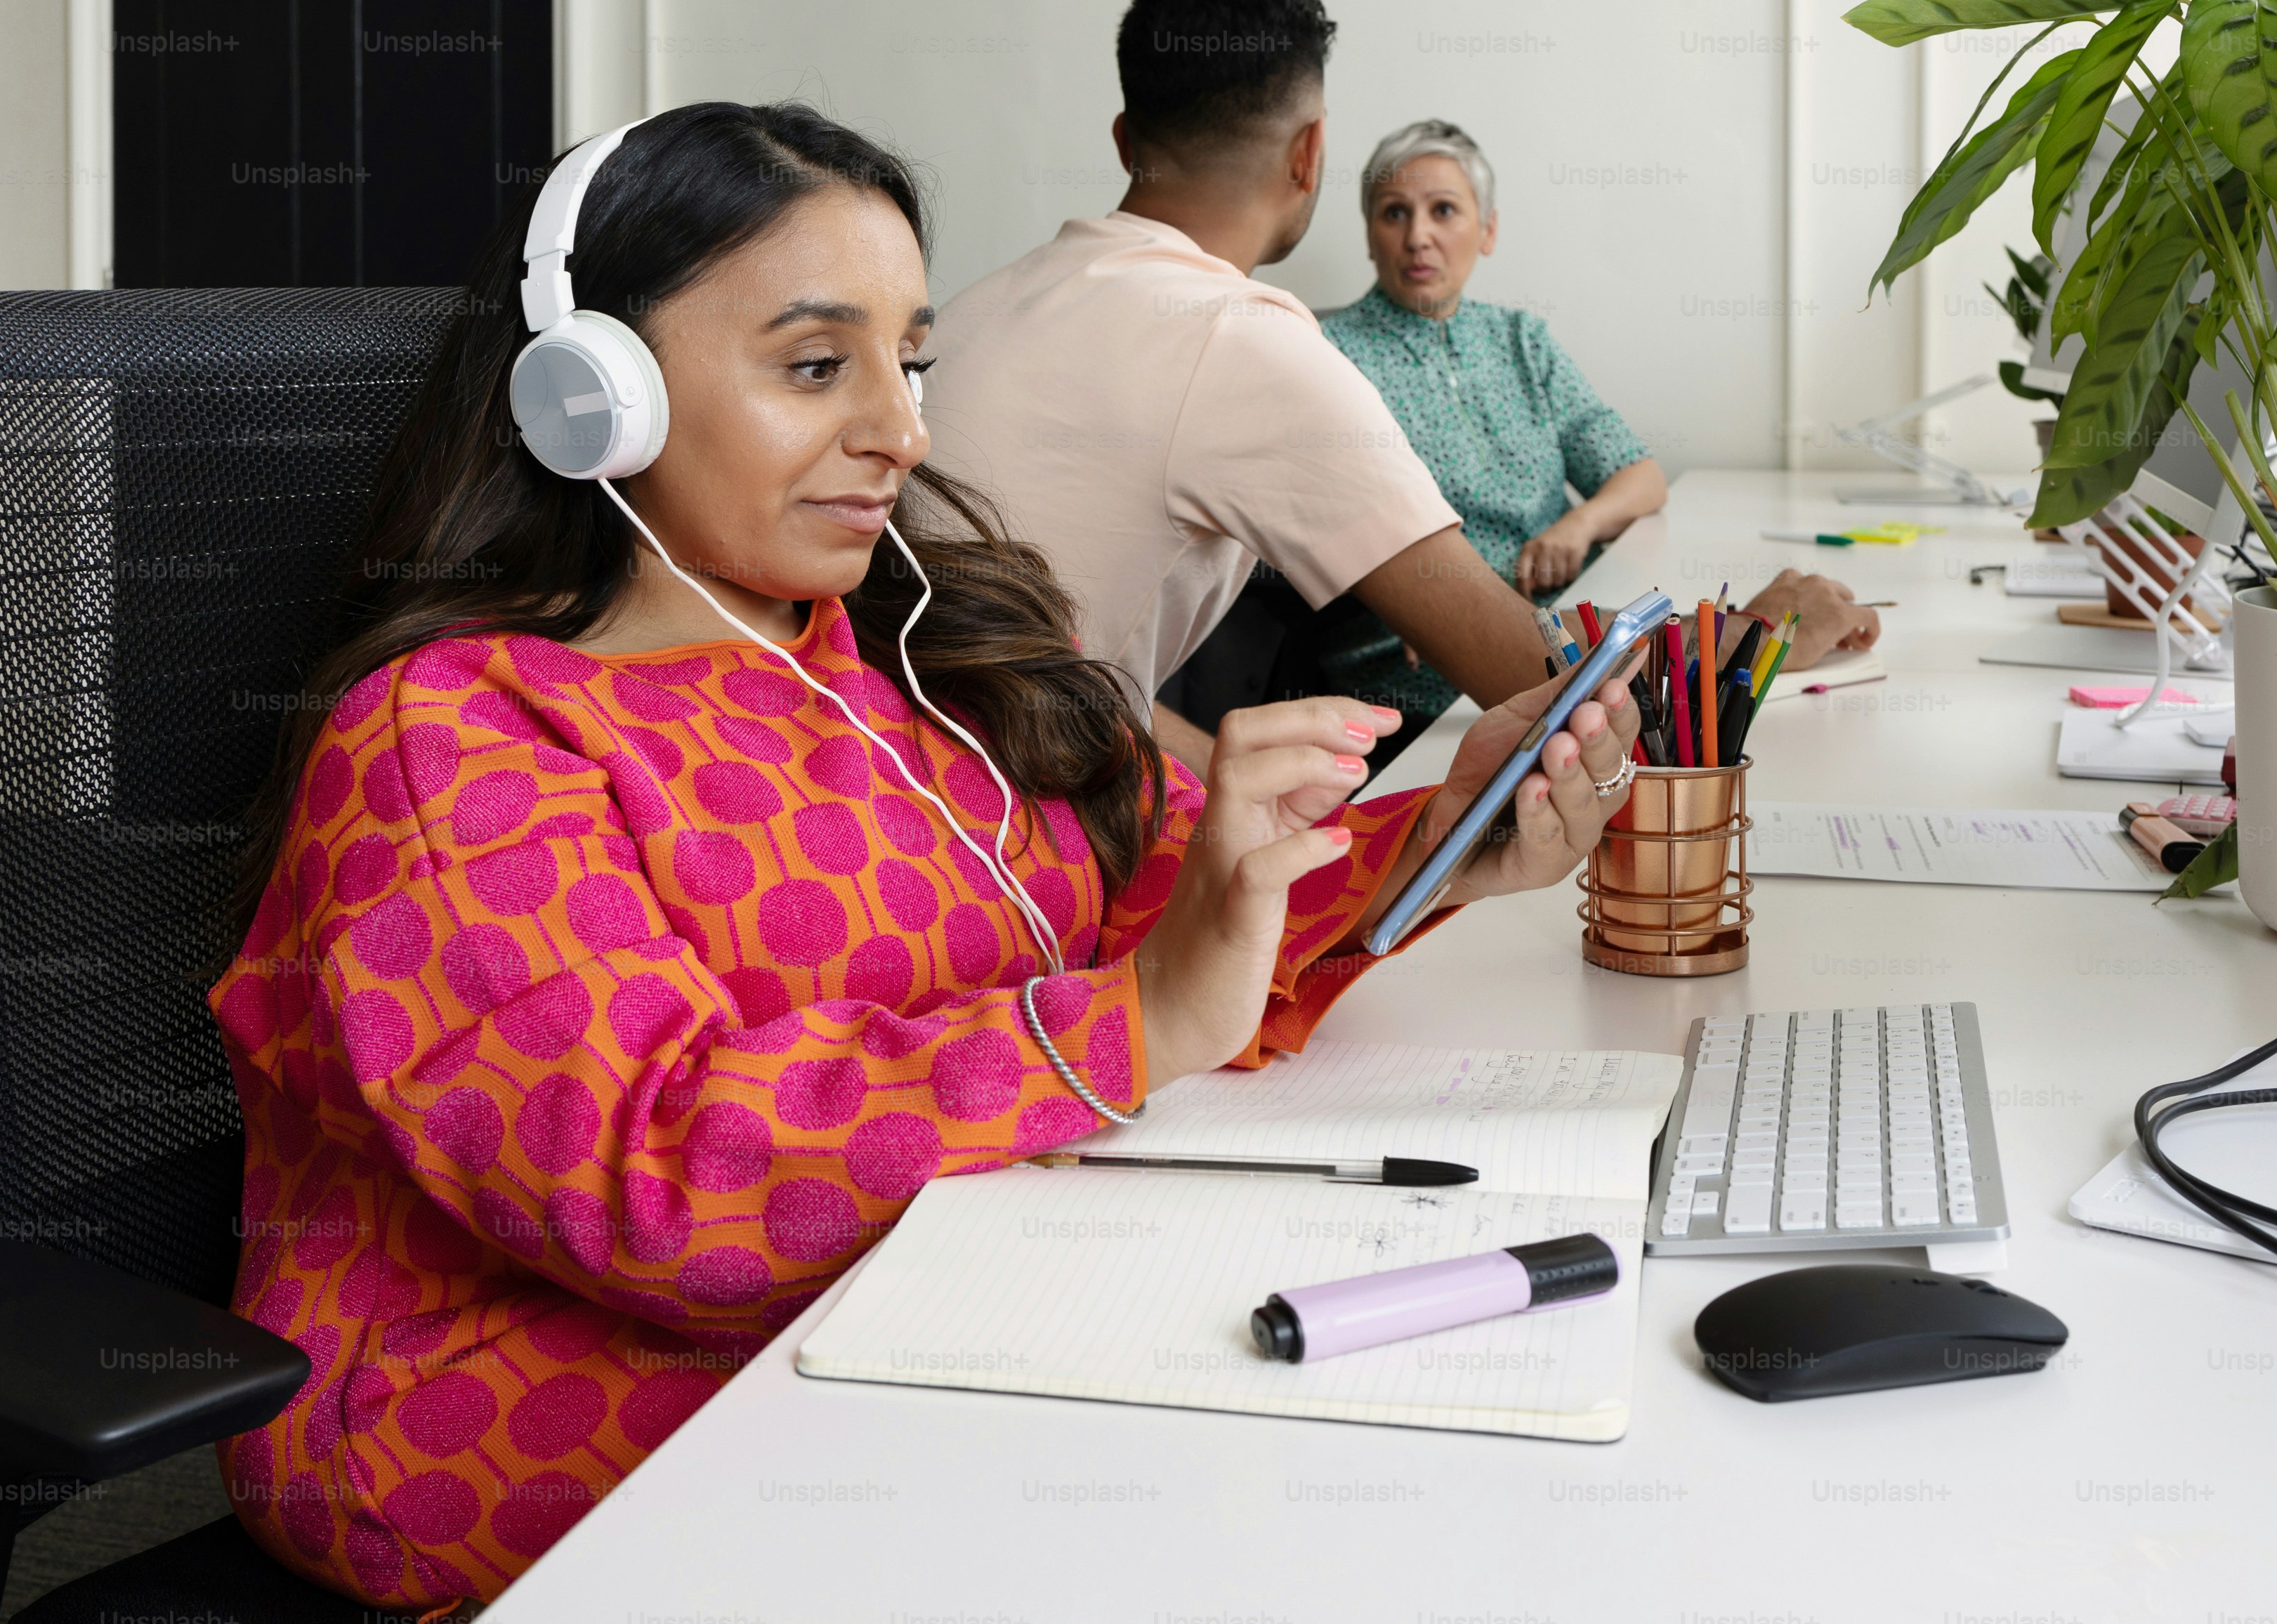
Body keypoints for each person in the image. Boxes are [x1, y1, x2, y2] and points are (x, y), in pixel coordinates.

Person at [207, 101, 1643, 1609]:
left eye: (910, 362)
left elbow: (1148, 907)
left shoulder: (907, 648)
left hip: (925, 1269)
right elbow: (652, 1172)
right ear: (595, 392)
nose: (902, 428)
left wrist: (1437, 837)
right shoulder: (456, 742)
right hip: (513, 1383)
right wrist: (1130, 1025)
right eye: (818, 366)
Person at [927, 0, 1868, 773]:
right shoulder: (1255, 344)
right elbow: (1549, 694)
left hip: (898, 789)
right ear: (1311, 156)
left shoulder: (976, 307)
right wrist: (1750, 632)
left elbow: (1025, 668)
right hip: (1017, 852)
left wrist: (1212, 773)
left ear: (1125, 143)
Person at [1310, 119, 1876, 723]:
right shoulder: (1326, 352)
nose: (1418, 236)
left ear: (1489, 230)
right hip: (1428, 670)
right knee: (1705, 711)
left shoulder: (1520, 340)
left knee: (1737, 721)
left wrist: (1579, 525)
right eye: (1394, 213)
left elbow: (1640, 475)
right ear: (1370, 235)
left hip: (1571, 624)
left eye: (1444, 210)